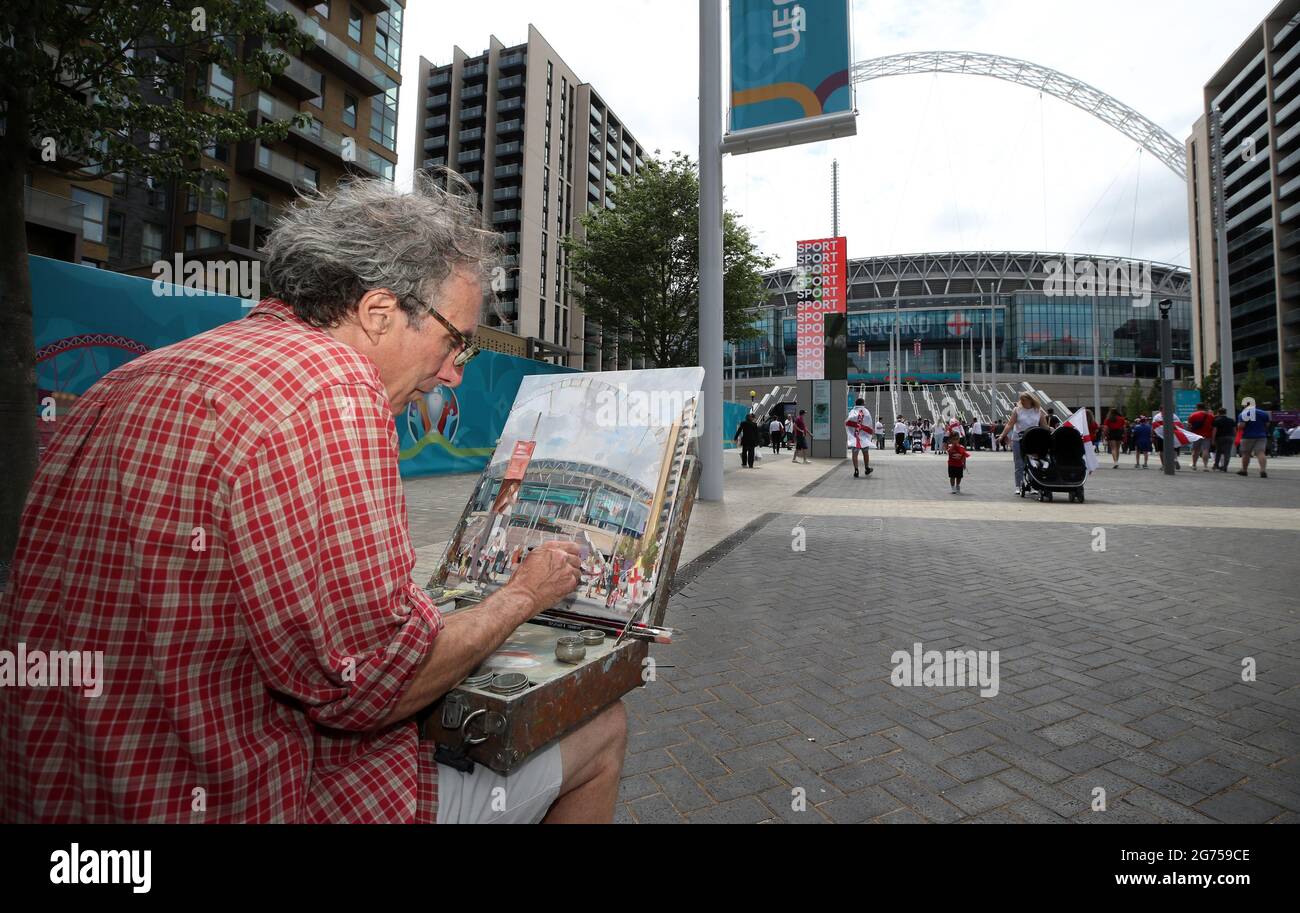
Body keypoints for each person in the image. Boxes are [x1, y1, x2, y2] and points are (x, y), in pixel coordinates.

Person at [0, 177, 628, 825]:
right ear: (379, 311)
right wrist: (522, 594)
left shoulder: (127, 379)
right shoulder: (331, 389)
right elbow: (376, 687)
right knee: (601, 728)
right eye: (456, 340)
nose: (454, 372)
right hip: (243, 798)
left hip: (62, 791)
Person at [997, 392, 1049, 492]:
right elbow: (1010, 424)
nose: (1022, 402)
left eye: (1024, 400)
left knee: (1033, 463)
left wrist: (1051, 430)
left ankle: (1033, 485)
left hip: (1033, 440)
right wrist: (1002, 435)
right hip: (1018, 439)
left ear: (1031, 400)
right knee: (1019, 463)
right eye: (1021, 400)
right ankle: (1018, 485)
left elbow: (1044, 426)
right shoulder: (1017, 410)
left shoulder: (1038, 411)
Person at [1236, 399, 1272, 478]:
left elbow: (1241, 426)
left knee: (1246, 454)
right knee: (1260, 452)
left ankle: (1244, 470)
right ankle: (1263, 470)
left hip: (1247, 436)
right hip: (1261, 436)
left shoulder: (1244, 413)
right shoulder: (1263, 413)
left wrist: (1238, 426)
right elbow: (1267, 424)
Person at [846, 398, 875, 478]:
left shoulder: (852, 411)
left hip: (855, 436)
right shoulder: (866, 412)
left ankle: (856, 470)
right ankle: (867, 468)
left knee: (855, 453)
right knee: (865, 452)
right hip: (864, 437)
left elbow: (848, 422)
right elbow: (869, 423)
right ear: (862, 403)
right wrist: (869, 432)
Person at [1187, 403, 1215, 471]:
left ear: (1197, 407)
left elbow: (1189, 426)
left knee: (1195, 450)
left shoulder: (1193, 415)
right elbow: (1213, 427)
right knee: (1205, 450)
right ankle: (1205, 466)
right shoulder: (1210, 416)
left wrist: (1190, 434)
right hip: (1207, 435)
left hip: (1196, 435)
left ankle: (1194, 465)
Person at [1212, 407, 1236, 472]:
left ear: (1218, 413)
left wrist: (1213, 440)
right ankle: (1225, 467)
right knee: (1227, 453)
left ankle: (1216, 465)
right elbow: (1234, 430)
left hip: (1219, 438)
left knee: (1218, 452)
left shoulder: (1217, 420)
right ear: (1226, 413)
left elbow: (1214, 430)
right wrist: (1234, 437)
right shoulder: (1231, 420)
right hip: (1229, 437)